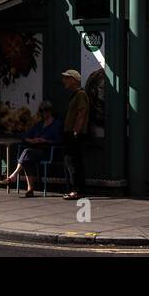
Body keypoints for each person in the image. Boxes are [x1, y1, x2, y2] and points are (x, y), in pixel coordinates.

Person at [0, 101, 61, 197]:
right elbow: (25, 136)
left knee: (26, 154)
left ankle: (14, 175)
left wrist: (44, 140)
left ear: (50, 111)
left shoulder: (56, 124)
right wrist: (31, 140)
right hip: (34, 150)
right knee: (27, 158)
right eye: (41, 111)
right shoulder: (39, 125)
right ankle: (30, 190)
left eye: (45, 110)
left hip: (47, 151)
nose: (43, 113)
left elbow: (59, 140)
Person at [61, 69, 89, 200]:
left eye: (67, 78)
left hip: (75, 134)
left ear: (74, 80)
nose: (64, 81)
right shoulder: (75, 95)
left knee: (73, 162)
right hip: (71, 133)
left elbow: (81, 113)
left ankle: (77, 190)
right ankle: (74, 189)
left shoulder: (80, 94)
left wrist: (75, 132)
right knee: (70, 161)